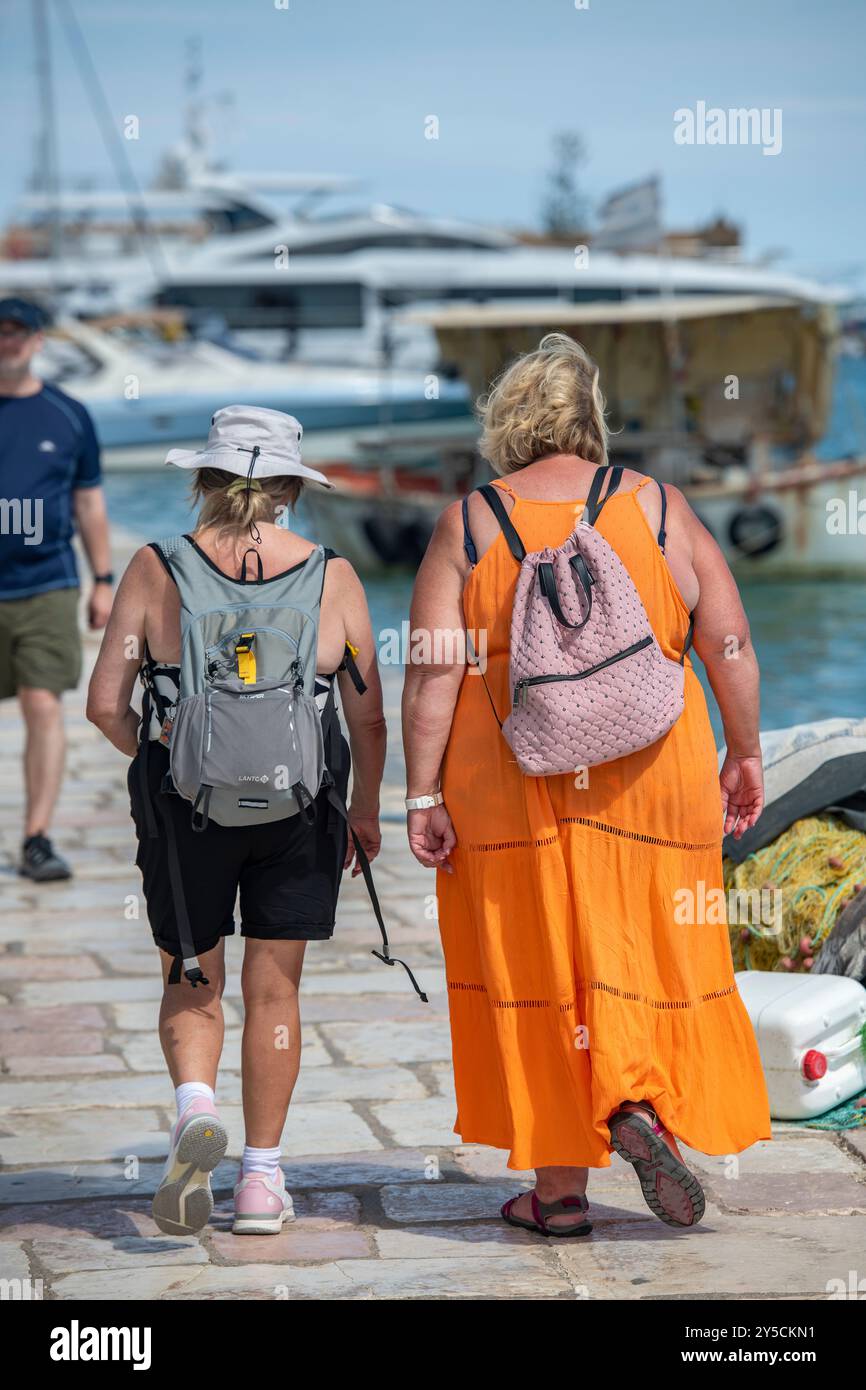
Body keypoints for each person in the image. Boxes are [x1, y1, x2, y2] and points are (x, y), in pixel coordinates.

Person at [402, 334, 771, 1236]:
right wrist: (745, 749)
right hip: (654, 765)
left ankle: (560, 1193)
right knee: (645, 942)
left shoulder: (472, 522)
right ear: (590, 419)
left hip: (511, 775)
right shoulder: (657, 507)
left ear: (507, 419)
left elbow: (432, 672)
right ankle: (639, 1100)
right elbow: (728, 642)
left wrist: (421, 795)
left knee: (538, 965)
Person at [86, 406, 386, 1235]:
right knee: (274, 989)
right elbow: (367, 719)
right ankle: (260, 1182)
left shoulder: (155, 568)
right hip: (302, 806)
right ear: (290, 487)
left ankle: (193, 1110)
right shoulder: (333, 575)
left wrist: (165, 762)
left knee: (192, 979)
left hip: (189, 813)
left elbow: (104, 706)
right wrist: (363, 812)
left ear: (203, 481)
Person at [0, 296, 113, 880]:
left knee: (43, 704)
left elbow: (89, 500)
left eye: (18, 333)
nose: (8, 342)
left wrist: (102, 578)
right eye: (0, 333)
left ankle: (37, 838)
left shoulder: (67, 414)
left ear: (38, 341)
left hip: (46, 583)